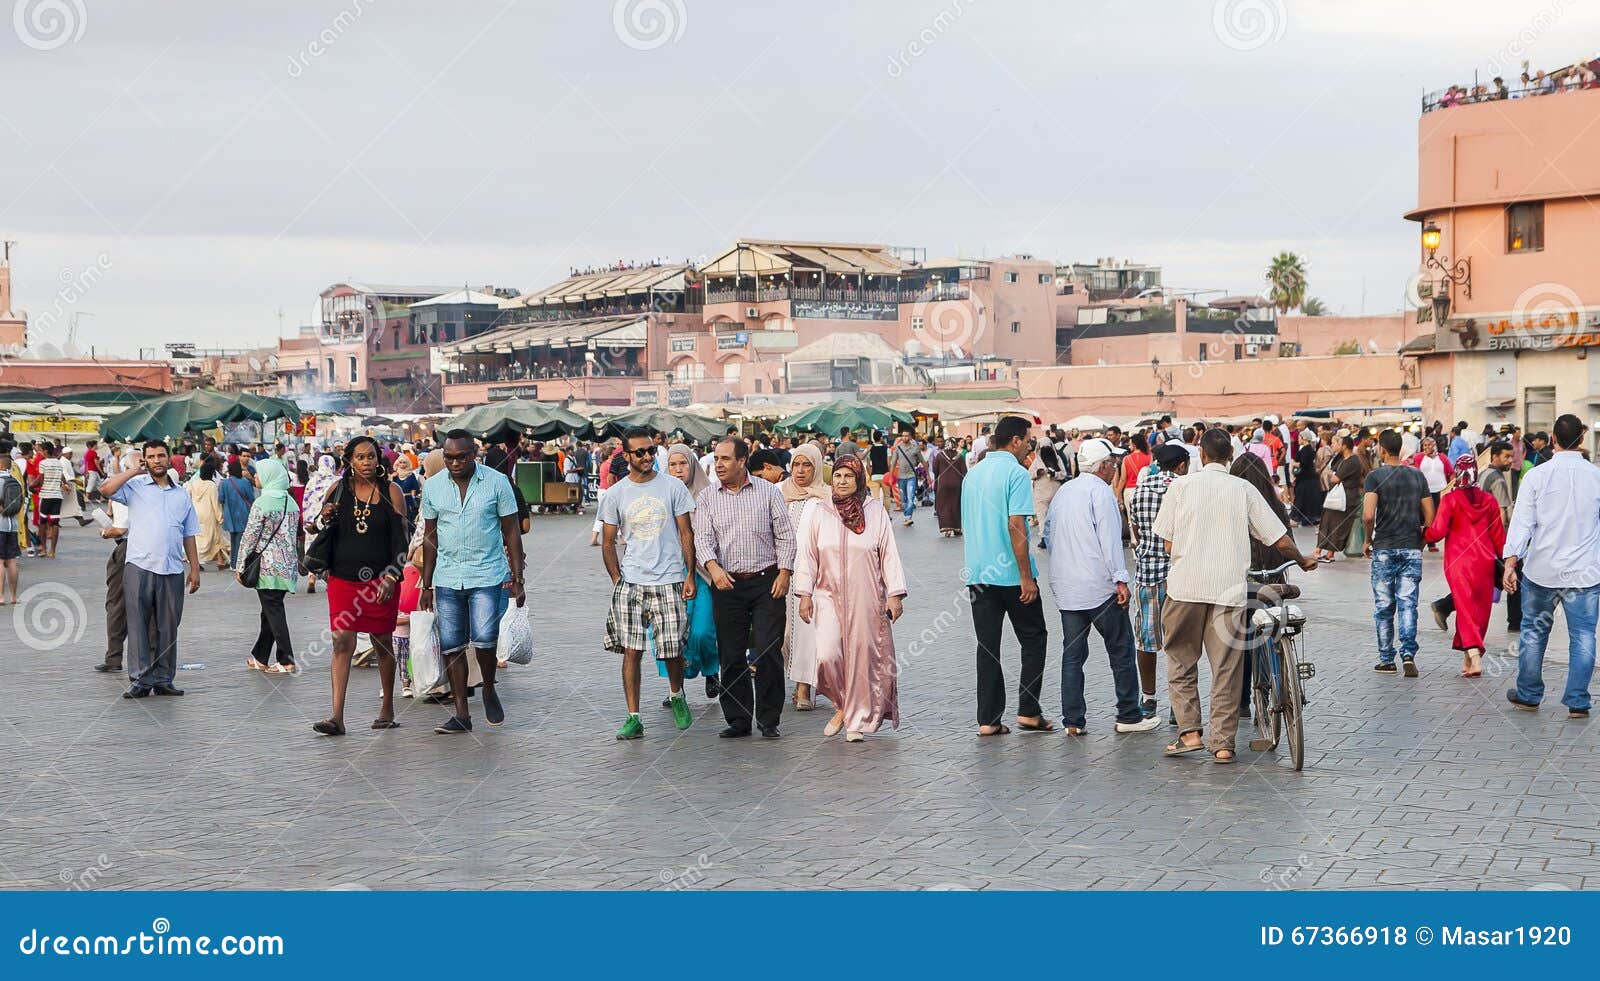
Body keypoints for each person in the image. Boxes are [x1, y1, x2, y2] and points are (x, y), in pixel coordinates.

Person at [1154, 428, 1316, 764]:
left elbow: (1168, 544)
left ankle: (1190, 734)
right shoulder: (1242, 489)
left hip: (1185, 587)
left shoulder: (1180, 487)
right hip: (1229, 590)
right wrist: (1303, 559)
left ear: (1201, 454)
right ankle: (1224, 744)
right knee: (1227, 666)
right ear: (1230, 456)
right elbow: (1278, 538)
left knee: (1181, 660)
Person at [1044, 437, 1158, 735]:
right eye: (1113, 463)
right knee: (1120, 651)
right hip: (1098, 585)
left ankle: (1073, 721)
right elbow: (1110, 541)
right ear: (1104, 466)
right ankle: (1128, 715)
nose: (1116, 468)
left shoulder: (1064, 491)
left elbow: (1047, 533)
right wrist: (1120, 579)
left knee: (1072, 656)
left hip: (1067, 587)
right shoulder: (1101, 493)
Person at [419, 430, 527, 735]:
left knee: (484, 641)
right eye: (449, 457)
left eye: (461, 457)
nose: (455, 463)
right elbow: (430, 536)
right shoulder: (434, 488)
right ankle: (461, 714)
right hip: (448, 576)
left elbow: (512, 532)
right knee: (452, 646)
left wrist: (517, 578)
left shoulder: (496, 482)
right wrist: (426, 585)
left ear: (473, 454)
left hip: (488, 574)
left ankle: (490, 686)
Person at [795, 455, 907, 742]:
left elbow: (889, 553)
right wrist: (804, 593)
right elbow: (807, 555)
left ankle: (854, 721)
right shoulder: (820, 510)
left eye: (849, 476)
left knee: (861, 658)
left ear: (859, 480)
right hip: (827, 594)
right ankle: (842, 705)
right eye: (839, 476)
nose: (842, 481)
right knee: (827, 655)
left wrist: (894, 593)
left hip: (866, 595)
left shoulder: (875, 511)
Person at [691, 437, 795, 739]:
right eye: (716, 458)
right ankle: (738, 719)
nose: (719, 464)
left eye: (725, 459)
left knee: (767, 650)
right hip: (727, 584)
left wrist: (785, 573)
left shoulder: (768, 493)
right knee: (732, 654)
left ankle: (769, 718)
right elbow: (703, 539)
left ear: (741, 461)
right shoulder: (709, 497)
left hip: (767, 582)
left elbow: (785, 536)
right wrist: (713, 568)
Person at [601, 428, 698, 740]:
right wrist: (618, 580)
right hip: (631, 583)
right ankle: (633, 717)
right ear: (626, 456)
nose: (647, 457)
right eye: (640, 452)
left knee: (671, 649)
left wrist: (690, 574)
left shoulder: (673, 487)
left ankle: (677, 694)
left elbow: (686, 534)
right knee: (632, 651)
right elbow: (608, 541)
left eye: (651, 451)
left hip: (669, 579)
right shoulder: (616, 494)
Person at [310, 436, 408, 735]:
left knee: (382, 642)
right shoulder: (337, 490)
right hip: (343, 579)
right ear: (349, 461)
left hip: (381, 580)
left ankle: (387, 706)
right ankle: (336, 716)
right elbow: (317, 528)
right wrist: (322, 516)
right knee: (342, 641)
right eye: (360, 457)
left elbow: (401, 541)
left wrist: (392, 576)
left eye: (371, 457)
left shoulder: (392, 492)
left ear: (379, 460)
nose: (367, 462)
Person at [1504, 414, 1600, 718]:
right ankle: (1577, 700)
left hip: (1541, 570)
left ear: (1553, 440)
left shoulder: (1536, 476)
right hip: (1585, 573)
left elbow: (1522, 523)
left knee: (1533, 631)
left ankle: (1529, 694)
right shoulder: (1596, 476)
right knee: (1583, 635)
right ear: (1582, 439)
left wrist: (1510, 562)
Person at [961, 415, 1052, 736]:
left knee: (987, 647)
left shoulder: (972, 474)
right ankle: (1028, 710)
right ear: (1014, 440)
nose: (1030, 447)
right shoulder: (1015, 473)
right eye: (1028, 441)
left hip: (978, 573)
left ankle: (988, 719)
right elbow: (1017, 526)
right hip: (1011, 575)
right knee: (1034, 638)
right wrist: (1027, 577)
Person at [99, 440, 202, 699]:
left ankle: (164, 679)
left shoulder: (182, 493)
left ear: (169, 459)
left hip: (171, 568)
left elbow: (189, 534)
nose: (157, 460)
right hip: (139, 566)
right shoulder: (134, 487)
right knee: (138, 624)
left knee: (169, 625)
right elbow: (105, 489)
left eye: (161, 456)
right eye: (152, 457)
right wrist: (134, 470)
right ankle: (141, 679)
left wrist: (195, 569)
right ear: (146, 460)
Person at [1420, 454, 1505, 678]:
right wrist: (1507, 563)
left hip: (1459, 563)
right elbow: (1499, 538)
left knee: (1465, 608)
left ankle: (1475, 659)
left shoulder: (1450, 500)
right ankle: (1468, 660)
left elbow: (1437, 532)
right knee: (1479, 610)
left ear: (1456, 474)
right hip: (1485, 563)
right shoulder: (1489, 501)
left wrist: (1423, 533)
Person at [1363, 429, 1435, 676]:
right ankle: (1408, 653)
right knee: (1408, 604)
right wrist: (1422, 540)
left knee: (1384, 605)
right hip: (1411, 547)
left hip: (1384, 547)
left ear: (1382, 450)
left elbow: (1368, 515)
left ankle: (1386, 659)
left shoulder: (1375, 477)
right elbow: (1430, 516)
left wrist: (1366, 540)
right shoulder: (1417, 477)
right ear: (1401, 449)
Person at [1127, 443, 1189, 720]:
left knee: (1146, 641)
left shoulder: (1140, 490)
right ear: (1182, 465)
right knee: (1182, 642)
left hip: (1149, 573)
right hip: (1181, 575)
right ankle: (1180, 704)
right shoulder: (1187, 489)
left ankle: (1149, 699)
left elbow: (1137, 529)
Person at [659, 443, 719, 700]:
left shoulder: (708, 496)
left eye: (683, 463)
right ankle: (676, 689)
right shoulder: (659, 496)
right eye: (672, 465)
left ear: (692, 465)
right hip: (670, 573)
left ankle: (710, 670)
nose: (678, 470)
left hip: (703, 573)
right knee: (670, 632)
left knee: (702, 631)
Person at [236, 459, 301, 675]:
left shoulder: (262, 503)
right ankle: (260, 657)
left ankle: (286, 659)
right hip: (286, 567)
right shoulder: (291, 502)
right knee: (269, 612)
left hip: (266, 567)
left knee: (273, 611)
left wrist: (240, 565)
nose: (255, 477)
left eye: (258, 474)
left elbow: (250, 537)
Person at [778, 442, 829, 711]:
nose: (800, 470)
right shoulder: (778, 493)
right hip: (779, 574)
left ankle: (803, 688)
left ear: (817, 467)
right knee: (784, 634)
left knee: (807, 632)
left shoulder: (826, 499)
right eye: (796, 464)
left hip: (812, 577)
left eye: (807, 465)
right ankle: (790, 679)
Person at [1313, 434, 1365, 563]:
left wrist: (1331, 474)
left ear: (1344, 446)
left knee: (1334, 524)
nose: (1333, 446)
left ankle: (1324, 552)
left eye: (1336, 443)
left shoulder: (1352, 461)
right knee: (1332, 523)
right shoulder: (1343, 459)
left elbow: (1335, 478)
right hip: (1342, 497)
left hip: (1345, 498)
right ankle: (1325, 553)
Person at [185, 460, 231, 571]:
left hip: (196, 514)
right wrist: (220, 517)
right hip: (209, 514)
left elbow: (188, 498)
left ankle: (220, 560)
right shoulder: (211, 486)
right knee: (213, 537)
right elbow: (215, 502)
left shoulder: (194, 484)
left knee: (201, 538)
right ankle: (198, 560)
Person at [30, 441, 71, 559]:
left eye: (41, 450)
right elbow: (62, 477)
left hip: (46, 496)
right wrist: (65, 484)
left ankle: (43, 548)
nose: (41, 453)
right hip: (57, 497)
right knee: (55, 524)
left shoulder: (43, 463)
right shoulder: (59, 463)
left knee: (42, 523)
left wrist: (31, 486)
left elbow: (40, 479)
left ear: (46, 451)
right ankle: (52, 551)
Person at [218, 459, 256, 568]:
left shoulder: (224, 483)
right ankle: (236, 563)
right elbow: (251, 498)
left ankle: (233, 563)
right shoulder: (245, 482)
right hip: (243, 514)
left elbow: (220, 499)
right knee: (240, 540)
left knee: (233, 539)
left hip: (229, 515)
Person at [1028, 441, 1067, 547]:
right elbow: (1029, 474)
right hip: (1041, 494)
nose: (1045, 449)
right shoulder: (1037, 460)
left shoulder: (1057, 459)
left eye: (1047, 447)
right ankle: (1044, 538)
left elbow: (1063, 474)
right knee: (1042, 517)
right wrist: (1038, 473)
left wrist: (1055, 474)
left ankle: (1056, 537)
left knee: (1054, 517)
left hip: (1055, 493)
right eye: (1043, 447)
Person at [931, 438, 967, 538]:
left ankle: (947, 529)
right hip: (957, 485)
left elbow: (935, 470)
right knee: (955, 505)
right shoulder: (960, 457)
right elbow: (964, 472)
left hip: (943, 485)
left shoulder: (940, 456)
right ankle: (957, 529)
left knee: (944, 506)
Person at [890, 430, 924, 527]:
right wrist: (891, 476)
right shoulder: (898, 448)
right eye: (903, 436)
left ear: (910, 437)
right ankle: (906, 515)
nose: (904, 437)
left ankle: (908, 517)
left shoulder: (915, 448)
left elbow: (923, 461)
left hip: (911, 477)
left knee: (910, 497)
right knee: (903, 499)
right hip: (901, 477)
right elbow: (893, 463)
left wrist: (928, 476)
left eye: (906, 436)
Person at [0, 444, 20, 604]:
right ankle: (13, 596)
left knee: (0, 561)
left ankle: (1, 596)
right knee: (11, 560)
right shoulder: (16, 482)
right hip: (13, 525)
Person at [393, 454, 422, 527]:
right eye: (400, 462)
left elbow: (416, 489)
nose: (402, 464)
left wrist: (411, 495)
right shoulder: (395, 475)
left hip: (408, 502)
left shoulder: (411, 475)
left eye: (404, 462)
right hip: (397, 502)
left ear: (408, 463)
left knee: (409, 523)